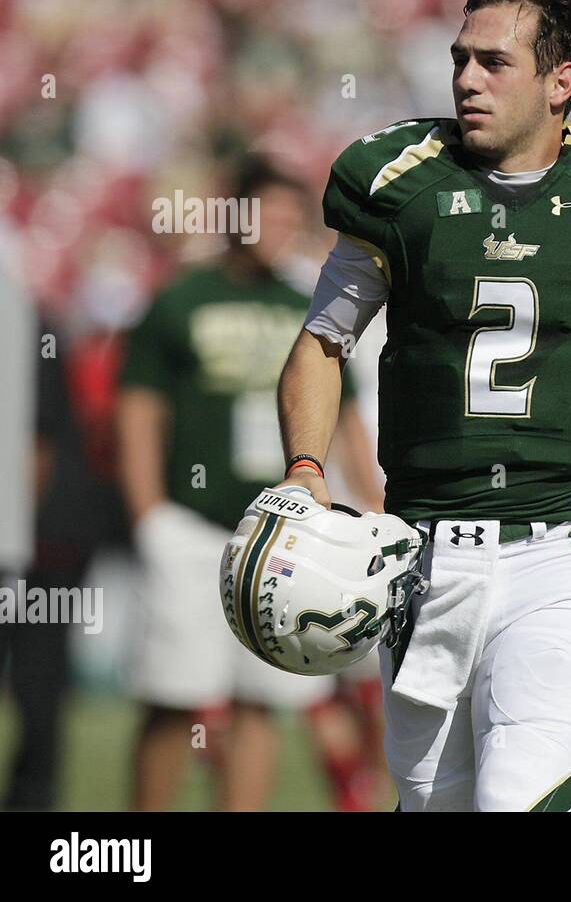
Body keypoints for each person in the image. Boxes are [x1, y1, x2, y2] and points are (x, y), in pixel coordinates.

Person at [275, 0, 571, 812]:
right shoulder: (400, 184)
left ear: (562, 82)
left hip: (560, 553)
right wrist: (306, 468)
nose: (465, 80)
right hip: (423, 560)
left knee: (517, 799)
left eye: (493, 63)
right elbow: (321, 343)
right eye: (460, 59)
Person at [116, 157, 376, 811]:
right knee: (174, 699)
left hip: (276, 538)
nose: (280, 227)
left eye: (292, 215)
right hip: (193, 523)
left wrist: (371, 502)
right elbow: (139, 408)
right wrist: (148, 512)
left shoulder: (307, 305)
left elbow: (344, 416)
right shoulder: (181, 297)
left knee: (262, 701)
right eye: (268, 212)